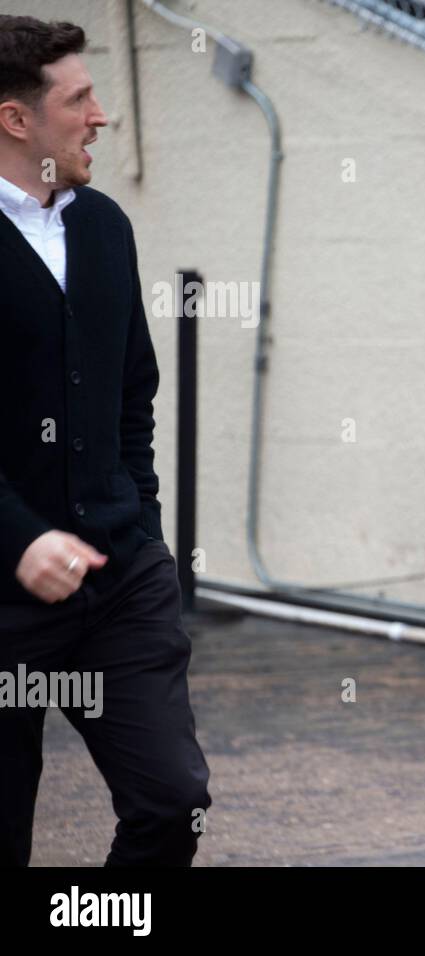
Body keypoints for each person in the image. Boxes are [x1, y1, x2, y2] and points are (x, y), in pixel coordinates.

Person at [0, 14, 211, 866]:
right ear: (17, 120)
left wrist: (143, 531)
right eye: (79, 98)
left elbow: (133, 396)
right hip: (4, 604)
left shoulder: (103, 227)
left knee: (171, 801)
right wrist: (20, 540)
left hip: (118, 583)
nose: (101, 115)